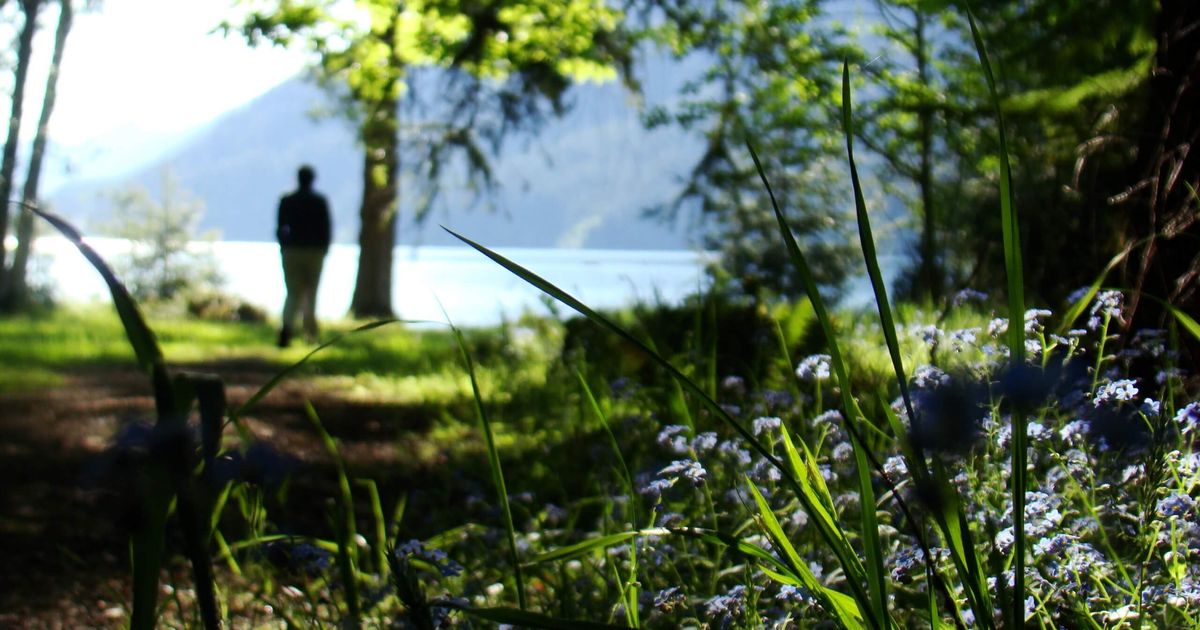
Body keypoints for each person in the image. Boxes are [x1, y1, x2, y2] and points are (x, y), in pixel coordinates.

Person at [276, 165, 332, 348]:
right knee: (311, 293)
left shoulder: (287, 200)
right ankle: (310, 334)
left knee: (293, 292)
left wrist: (284, 247)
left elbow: (280, 228)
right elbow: (326, 229)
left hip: (292, 251)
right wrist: (323, 249)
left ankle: (287, 327)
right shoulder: (319, 201)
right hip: (314, 252)